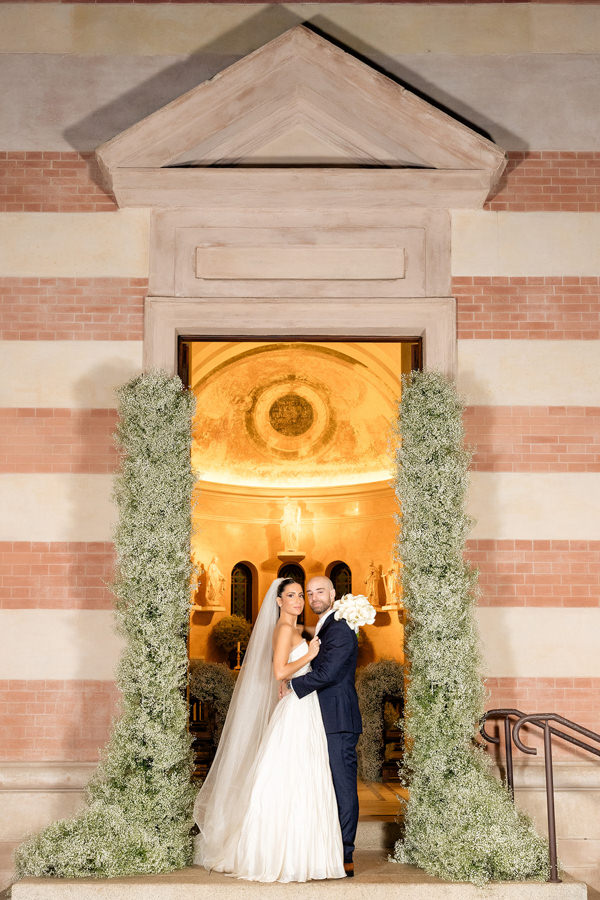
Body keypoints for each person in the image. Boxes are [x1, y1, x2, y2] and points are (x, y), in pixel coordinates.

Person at [193, 577, 346, 882]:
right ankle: (281, 856)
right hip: (296, 711)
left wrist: (296, 672)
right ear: (278, 601)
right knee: (290, 777)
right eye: (291, 596)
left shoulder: (295, 629)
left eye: (301, 595)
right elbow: (279, 670)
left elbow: (286, 675)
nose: (298, 601)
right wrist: (309, 656)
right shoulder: (285, 628)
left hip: (305, 706)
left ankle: (306, 856)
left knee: (305, 776)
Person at [281, 575, 362, 878]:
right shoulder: (325, 626)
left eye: (320, 592)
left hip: (338, 719)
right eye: (310, 593)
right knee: (324, 786)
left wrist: (292, 684)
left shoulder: (340, 627)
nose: (314, 597)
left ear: (333, 593)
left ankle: (346, 855)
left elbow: (328, 673)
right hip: (320, 717)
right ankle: (328, 849)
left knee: (342, 786)